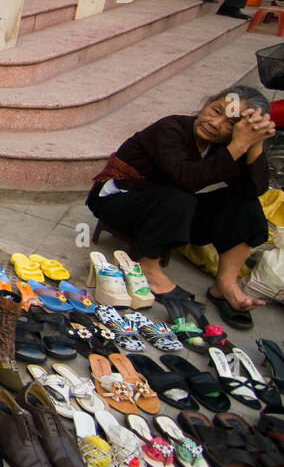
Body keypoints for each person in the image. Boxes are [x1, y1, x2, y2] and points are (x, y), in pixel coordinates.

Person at [87, 85, 274, 333]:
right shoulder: (171, 128)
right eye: (215, 110)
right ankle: (148, 267)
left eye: (231, 124)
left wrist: (254, 145)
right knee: (180, 195)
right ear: (207, 102)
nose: (215, 123)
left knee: (244, 203)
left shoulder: (225, 145)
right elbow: (185, 178)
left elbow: (253, 189)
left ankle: (224, 286)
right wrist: (237, 145)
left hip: (165, 207)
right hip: (119, 201)